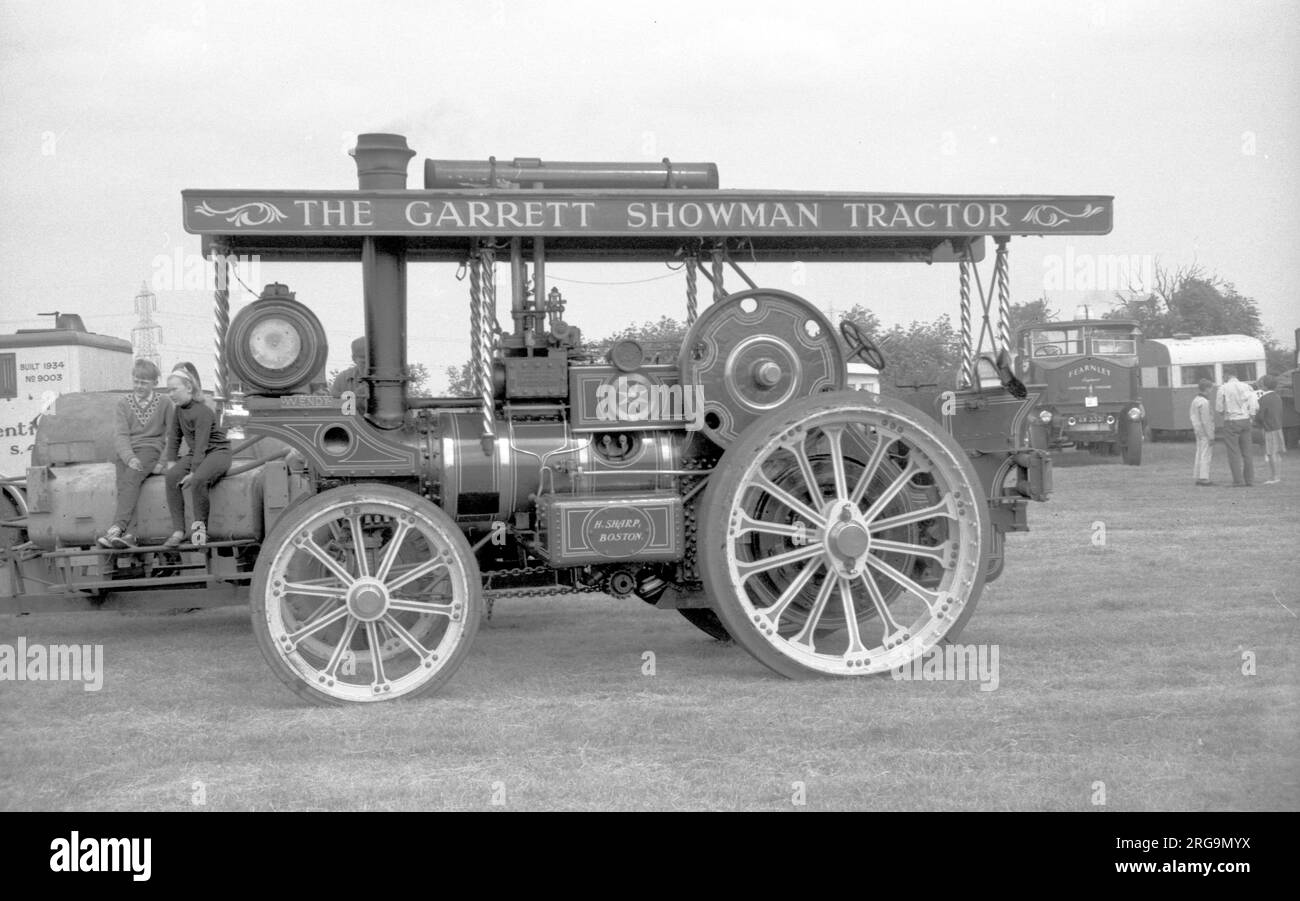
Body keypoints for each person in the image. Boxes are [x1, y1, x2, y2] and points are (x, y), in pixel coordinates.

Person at [97, 359, 174, 548]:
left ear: (155, 383)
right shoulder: (123, 404)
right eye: (136, 381)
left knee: (130, 480)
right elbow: (120, 436)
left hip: (150, 450)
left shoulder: (165, 403)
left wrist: (162, 462)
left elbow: (173, 435)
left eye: (144, 382)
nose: (139, 386)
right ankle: (130, 535)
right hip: (128, 453)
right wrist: (129, 457)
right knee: (124, 485)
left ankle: (117, 527)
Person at [162, 362, 231, 547]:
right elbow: (174, 438)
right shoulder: (178, 411)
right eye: (169, 390)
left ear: (189, 387)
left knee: (199, 480)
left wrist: (193, 471)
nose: (171, 394)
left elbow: (201, 444)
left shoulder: (203, 412)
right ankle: (178, 530)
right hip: (197, 454)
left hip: (217, 452)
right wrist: (170, 462)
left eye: (174, 389)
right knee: (171, 477)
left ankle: (200, 532)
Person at [1215, 371, 1258, 487]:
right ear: (1236, 376)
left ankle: (1238, 480)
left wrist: (1223, 413)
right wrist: (1251, 416)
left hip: (1231, 420)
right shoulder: (1247, 386)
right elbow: (1254, 404)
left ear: (1226, 377)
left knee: (1233, 452)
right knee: (1247, 452)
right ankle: (1249, 480)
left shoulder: (1223, 388)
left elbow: (1219, 408)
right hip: (1246, 420)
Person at [1257, 374, 1285, 484]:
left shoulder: (1264, 399)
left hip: (1269, 428)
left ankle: (1274, 477)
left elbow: (1260, 415)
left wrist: (1255, 421)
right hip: (1278, 427)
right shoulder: (1277, 397)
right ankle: (1277, 475)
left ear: (1264, 385)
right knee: (1276, 453)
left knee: (1270, 453)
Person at [1189, 377, 1216, 486]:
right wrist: (1211, 435)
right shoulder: (1204, 402)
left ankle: (1199, 475)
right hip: (1205, 431)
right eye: (1211, 388)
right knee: (1206, 454)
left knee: (1199, 453)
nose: (1211, 391)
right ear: (1207, 388)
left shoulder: (1195, 400)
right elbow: (1206, 420)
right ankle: (1204, 477)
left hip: (1198, 430)